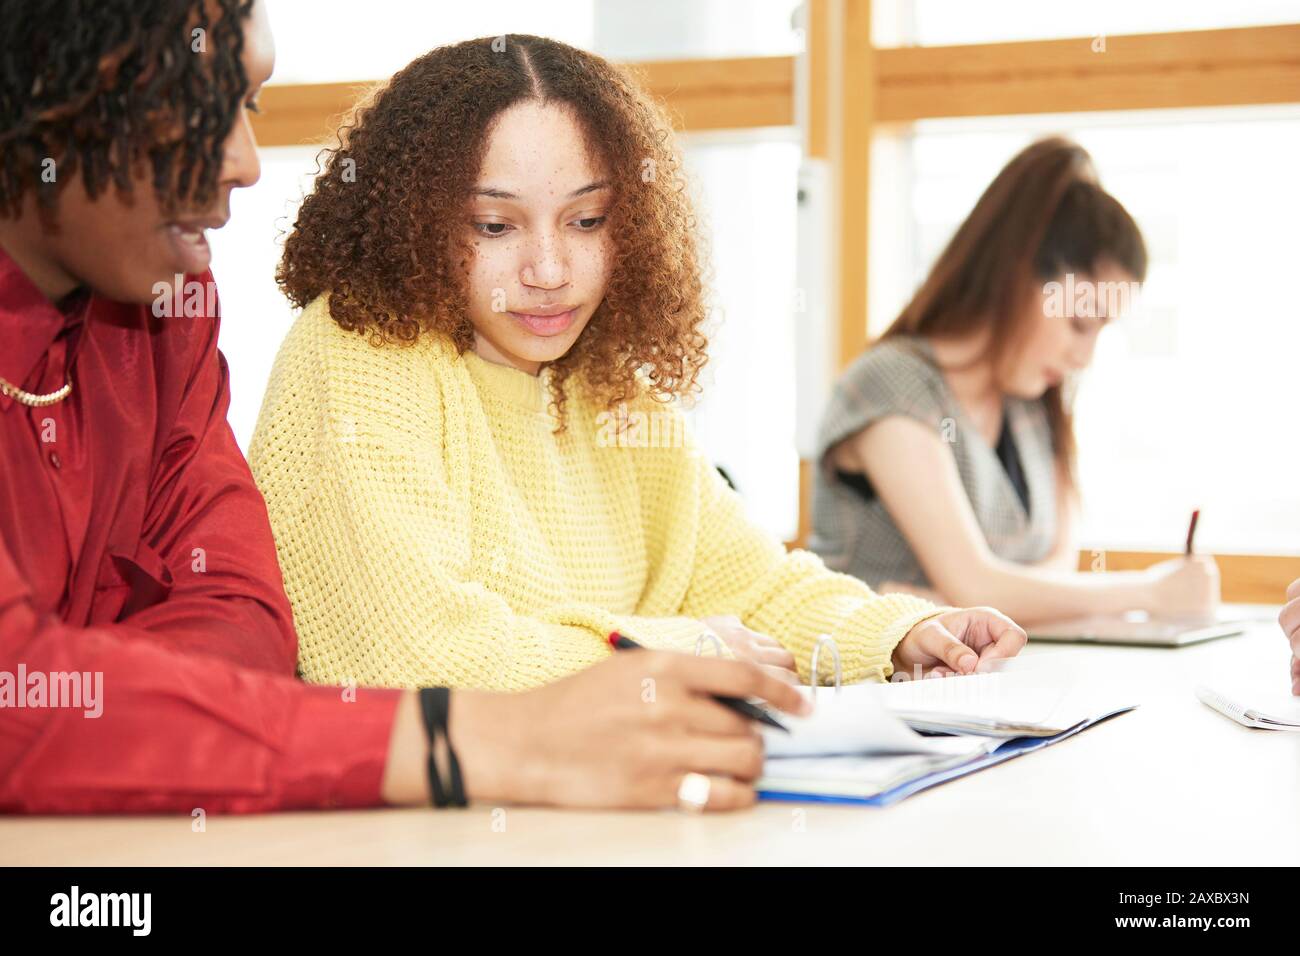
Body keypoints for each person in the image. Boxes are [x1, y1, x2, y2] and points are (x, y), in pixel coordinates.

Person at [0, 0, 810, 815]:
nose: (245, 163)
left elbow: (242, 616)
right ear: (44, 95)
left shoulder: (170, 311)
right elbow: (20, 698)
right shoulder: (349, 352)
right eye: (192, 111)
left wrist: (114, 712)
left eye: (247, 107)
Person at [249, 35, 1028, 696]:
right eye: (495, 225)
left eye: (587, 220)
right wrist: (685, 654)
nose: (550, 268)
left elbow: (748, 585)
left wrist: (903, 635)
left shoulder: (608, 384)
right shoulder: (354, 352)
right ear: (413, 223)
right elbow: (414, 656)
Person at [809, 137, 1219, 626]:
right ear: (1018, 277)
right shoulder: (890, 385)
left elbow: (1054, 569)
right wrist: (1148, 591)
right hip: (867, 688)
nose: (1084, 356)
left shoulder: (1032, 402)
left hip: (997, 683)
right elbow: (977, 585)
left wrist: (962, 600)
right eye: (1079, 323)